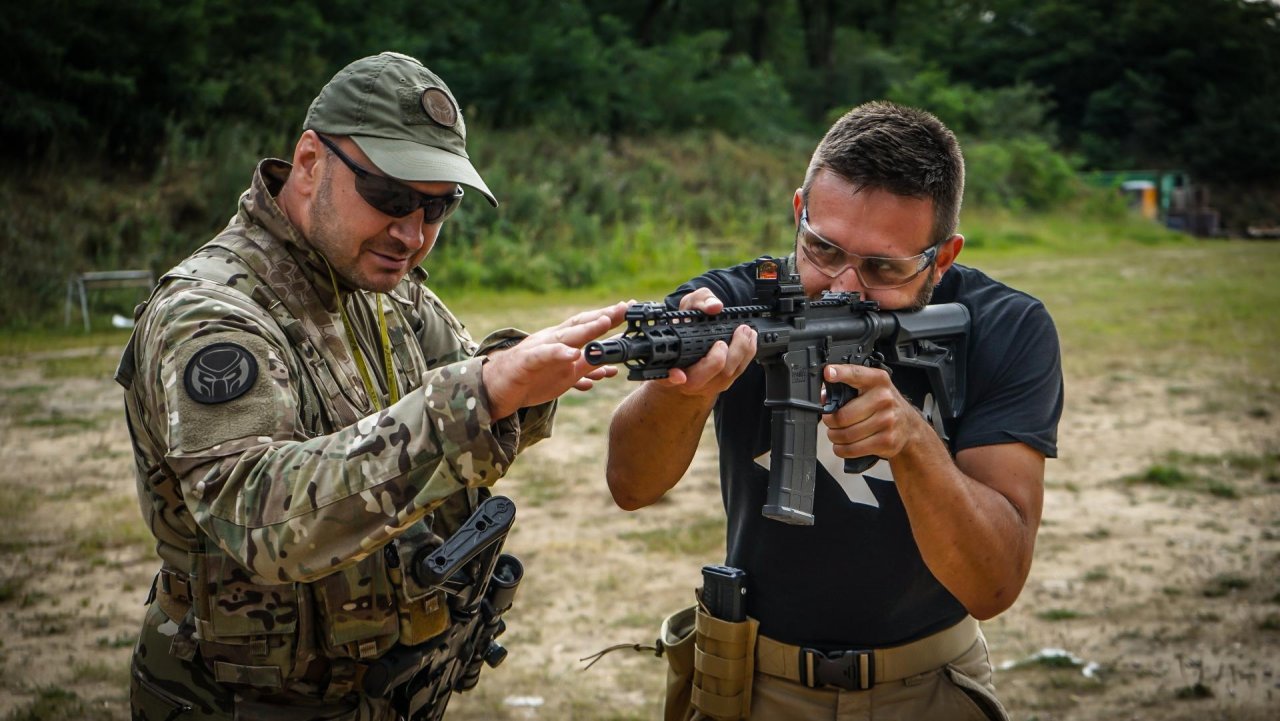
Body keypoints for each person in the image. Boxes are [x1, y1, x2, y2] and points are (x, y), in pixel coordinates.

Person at [116, 52, 628, 721]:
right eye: (389, 197)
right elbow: (263, 519)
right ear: (309, 161)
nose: (412, 234)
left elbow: (472, 380)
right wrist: (486, 392)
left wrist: (554, 364)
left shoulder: (384, 287)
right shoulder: (212, 313)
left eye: (438, 206)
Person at [605, 101, 1063, 720]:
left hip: (928, 686)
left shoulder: (1004, 327)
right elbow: (631, 486)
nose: (845, 285)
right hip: (749, 681)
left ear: (943, 257)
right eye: (823, 249)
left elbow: (995, 582)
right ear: (800, 211)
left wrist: (912, 442)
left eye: (882, 267)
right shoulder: (730, 307)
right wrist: (678, 392)